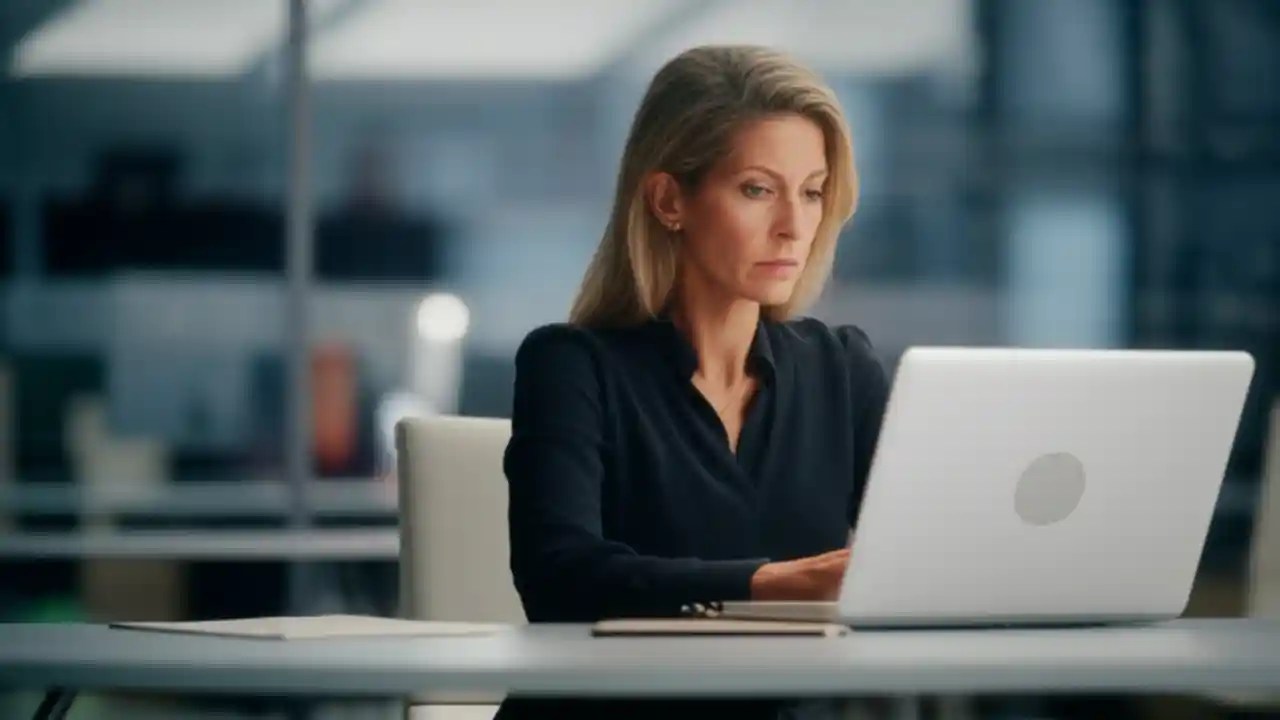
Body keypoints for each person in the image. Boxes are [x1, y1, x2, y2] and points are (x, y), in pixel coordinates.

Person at [500, 45, 890, 720]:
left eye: (812, 191)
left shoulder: (841, 368)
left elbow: (932, 554)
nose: (794, 227)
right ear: (669, 199)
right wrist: (772, 583)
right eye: (758, 190)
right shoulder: (571, 365)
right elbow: (559, 578)